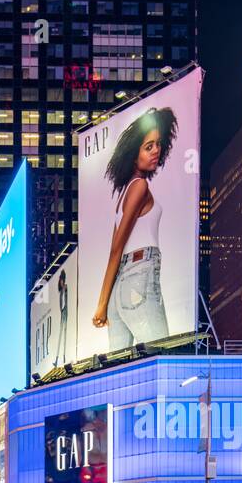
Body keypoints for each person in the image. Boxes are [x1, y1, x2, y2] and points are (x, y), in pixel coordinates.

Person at [91, 107, 179, 348]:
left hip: (121, 288)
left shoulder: (124, 195)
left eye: (158, 145)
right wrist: (100, 305)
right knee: (162, 360)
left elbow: (115, 254)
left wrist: (105, 303)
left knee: (120, 375)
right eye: (148, 147)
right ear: (134, 154)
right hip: (139, 279)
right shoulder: (139, 187)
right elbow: (115, 250)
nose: (156, 151)